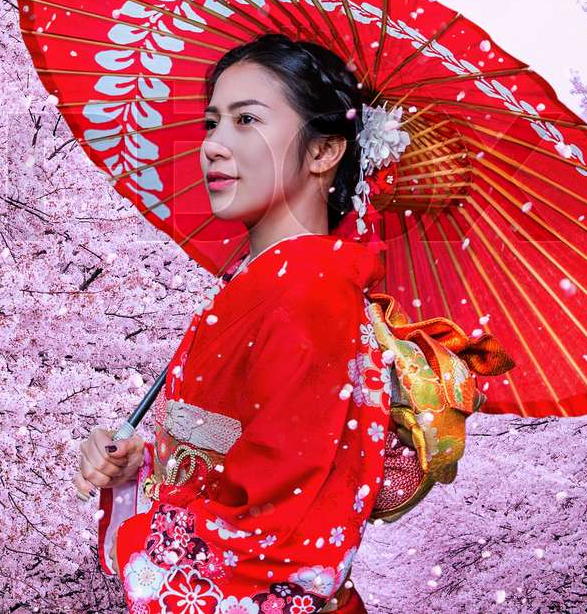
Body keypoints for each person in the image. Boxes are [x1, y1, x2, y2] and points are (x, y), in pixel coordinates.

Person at [73, 32, 391, 614]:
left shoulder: (309, 290)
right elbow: (224, 454)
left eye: (247, 121)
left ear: (325, 152)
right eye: (212, 122)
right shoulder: (268, 283)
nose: (214, 145)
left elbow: (279, 527)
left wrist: (140, 536)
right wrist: (139, 464)